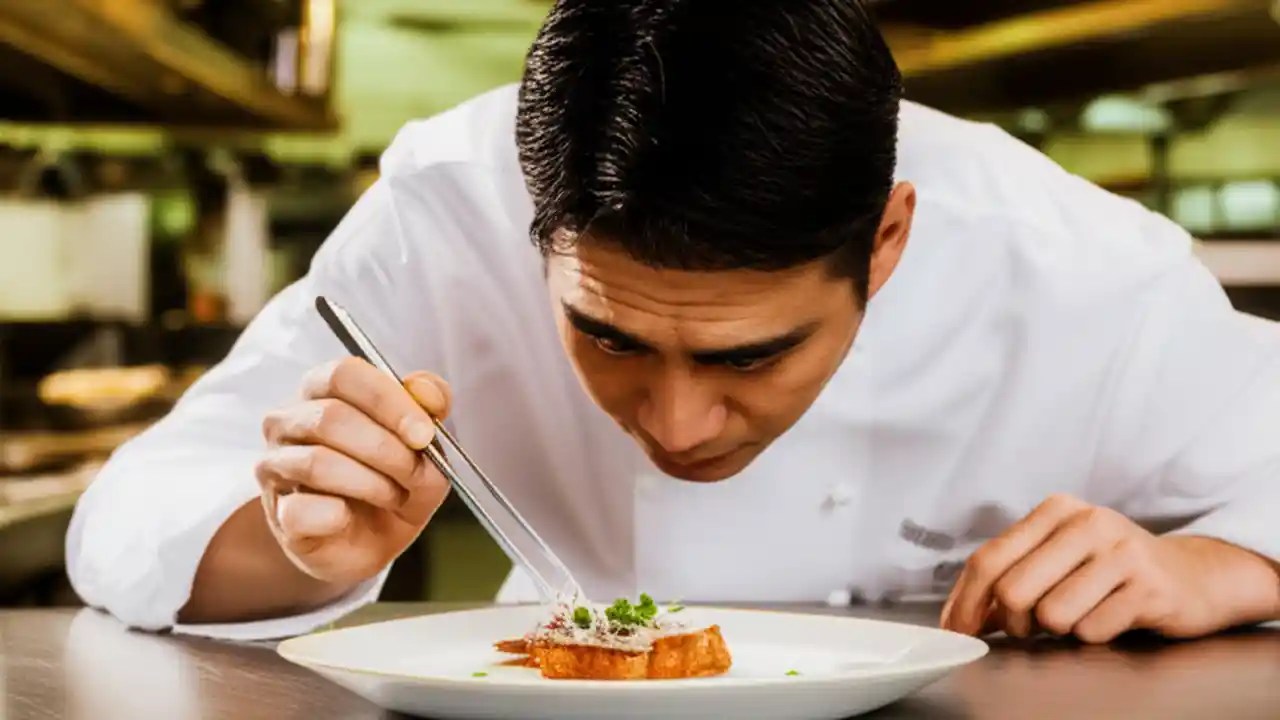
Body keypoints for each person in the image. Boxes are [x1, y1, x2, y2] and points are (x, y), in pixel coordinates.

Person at [67, 0, 1278, 643]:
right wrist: (294, 538)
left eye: (751, 353)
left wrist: (1213, 564)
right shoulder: (447, 204)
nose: (678, 422)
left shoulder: (1076, 265)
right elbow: (127, 515)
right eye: (610, 337)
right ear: (533, 233)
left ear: (886, 241)